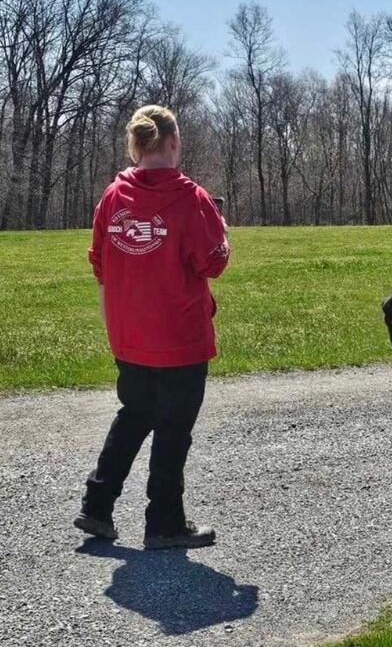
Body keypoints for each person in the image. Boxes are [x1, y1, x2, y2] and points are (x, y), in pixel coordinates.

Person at [75, 105, 229, 549]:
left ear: (136, 146)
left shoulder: (113, 196)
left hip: (130, 333)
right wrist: (222, 231)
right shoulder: (190, 198)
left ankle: (97, 505)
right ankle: (164, 521)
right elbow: (212, 263)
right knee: (173, 428)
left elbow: (100, 263)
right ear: (174, 142)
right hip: (179, 335)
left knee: (133, 415)